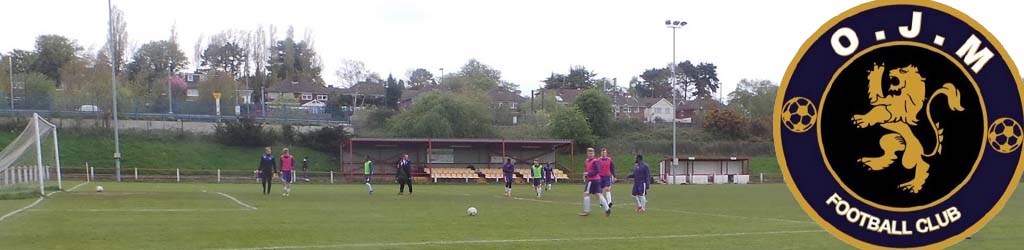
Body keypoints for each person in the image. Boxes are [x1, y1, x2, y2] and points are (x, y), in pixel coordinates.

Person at [579, 148, 611, 217]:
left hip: (592, 180)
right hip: (594, 180)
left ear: (594, 154)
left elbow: (597, 170)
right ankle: (607, 209)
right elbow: (587, 169)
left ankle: (586, 211)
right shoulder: (587, 161)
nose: (590, 155)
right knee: (598, 194)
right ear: (587, 154)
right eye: (589, 153)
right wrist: (585, 174)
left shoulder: (595, 161)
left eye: (591, 153)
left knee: (586, 194)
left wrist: (588, 174)